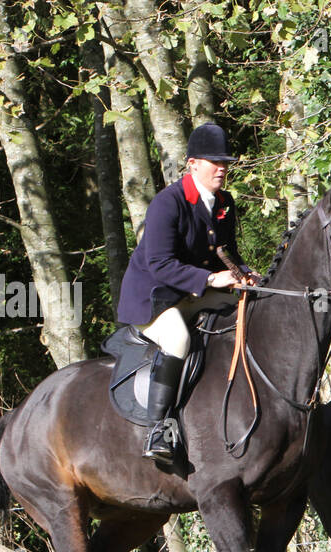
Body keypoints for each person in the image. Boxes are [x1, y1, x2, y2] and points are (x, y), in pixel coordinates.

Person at [118, 122, 247, 464]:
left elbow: (228, 252)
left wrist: (244, 274)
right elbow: (159, 264)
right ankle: (159, 429)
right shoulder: (168, 203)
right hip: (153, 299)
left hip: (193, 293)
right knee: (177, 339)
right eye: (214, 162)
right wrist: (210, 279)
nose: (222, 168)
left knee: (245, 310)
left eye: (226, 163)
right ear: (192, 164)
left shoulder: (224, 202)